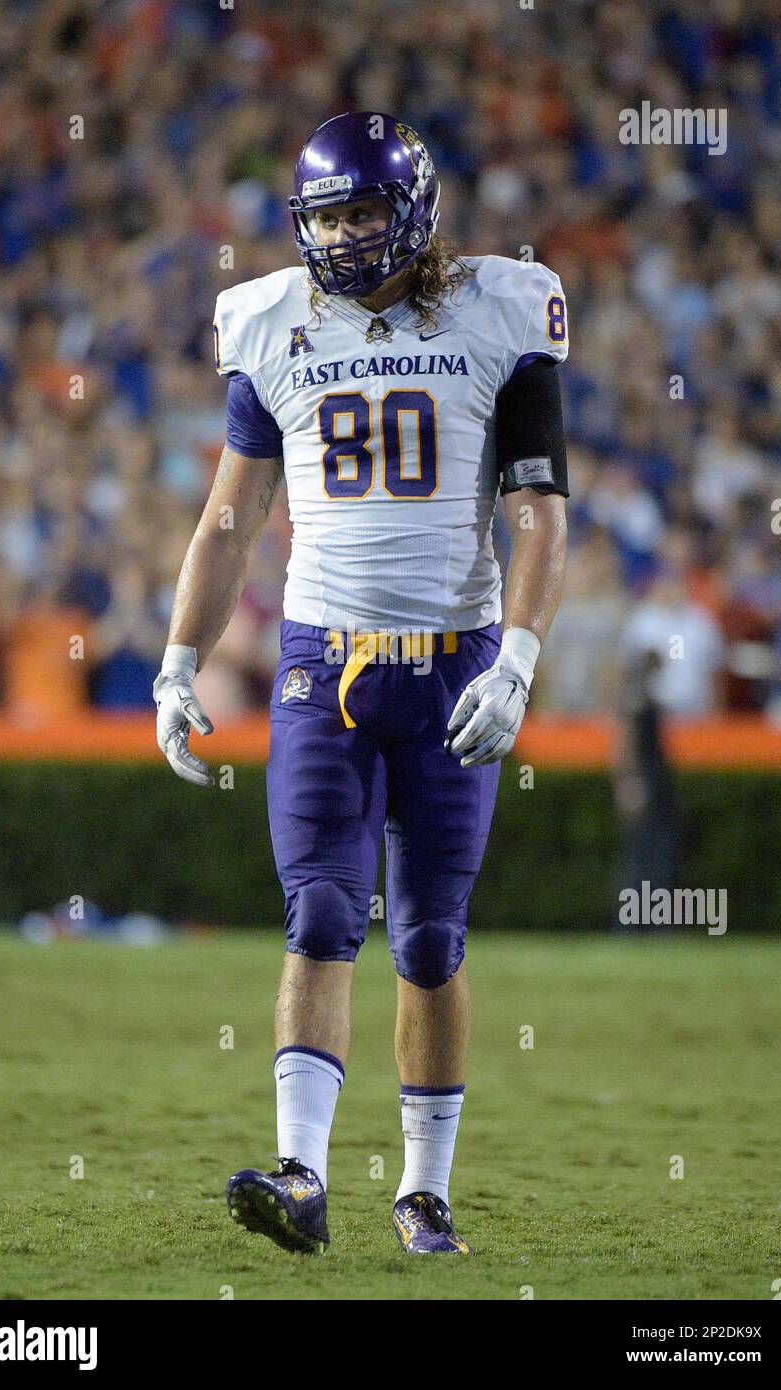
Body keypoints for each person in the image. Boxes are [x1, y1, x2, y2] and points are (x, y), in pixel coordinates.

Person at [153, 112, 569, 1255]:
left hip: (454, 660)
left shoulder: (499, 306)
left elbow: (539, 516)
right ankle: (301, 1174)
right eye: (325, 214)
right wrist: (181, 657)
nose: (342, 235)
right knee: (322, 910)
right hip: (319, 664)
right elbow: (229, 518)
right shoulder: (269, 319)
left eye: (364, 210)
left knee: (431, 935)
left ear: (415, 210)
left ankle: (423, 1188)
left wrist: (521, 656)